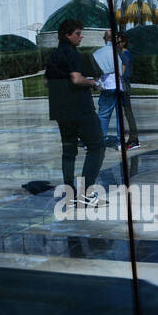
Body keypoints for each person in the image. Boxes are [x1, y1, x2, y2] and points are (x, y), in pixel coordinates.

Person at [44, 19, 105, 206]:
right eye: (78, 33)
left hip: (61, 111)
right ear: (67, 35)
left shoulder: (53, 56)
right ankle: (86, 193)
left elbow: (47, 82)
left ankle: (69, 193)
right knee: (97, 147)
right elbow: (77, 79)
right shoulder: (74, 54)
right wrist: (93, 83)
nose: (81, 36)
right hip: (80, 109)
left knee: (69, 151)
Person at [96, 31, 139, 149]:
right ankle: (127, 139)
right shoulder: (118, 53)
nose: (116, 43)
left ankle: (133, 138)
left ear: (123, 42)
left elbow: (124, 72)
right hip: (120, 85)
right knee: (122, 113)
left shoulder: (125, 54)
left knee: (126, 113)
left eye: (118, 42)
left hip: (122, 86)